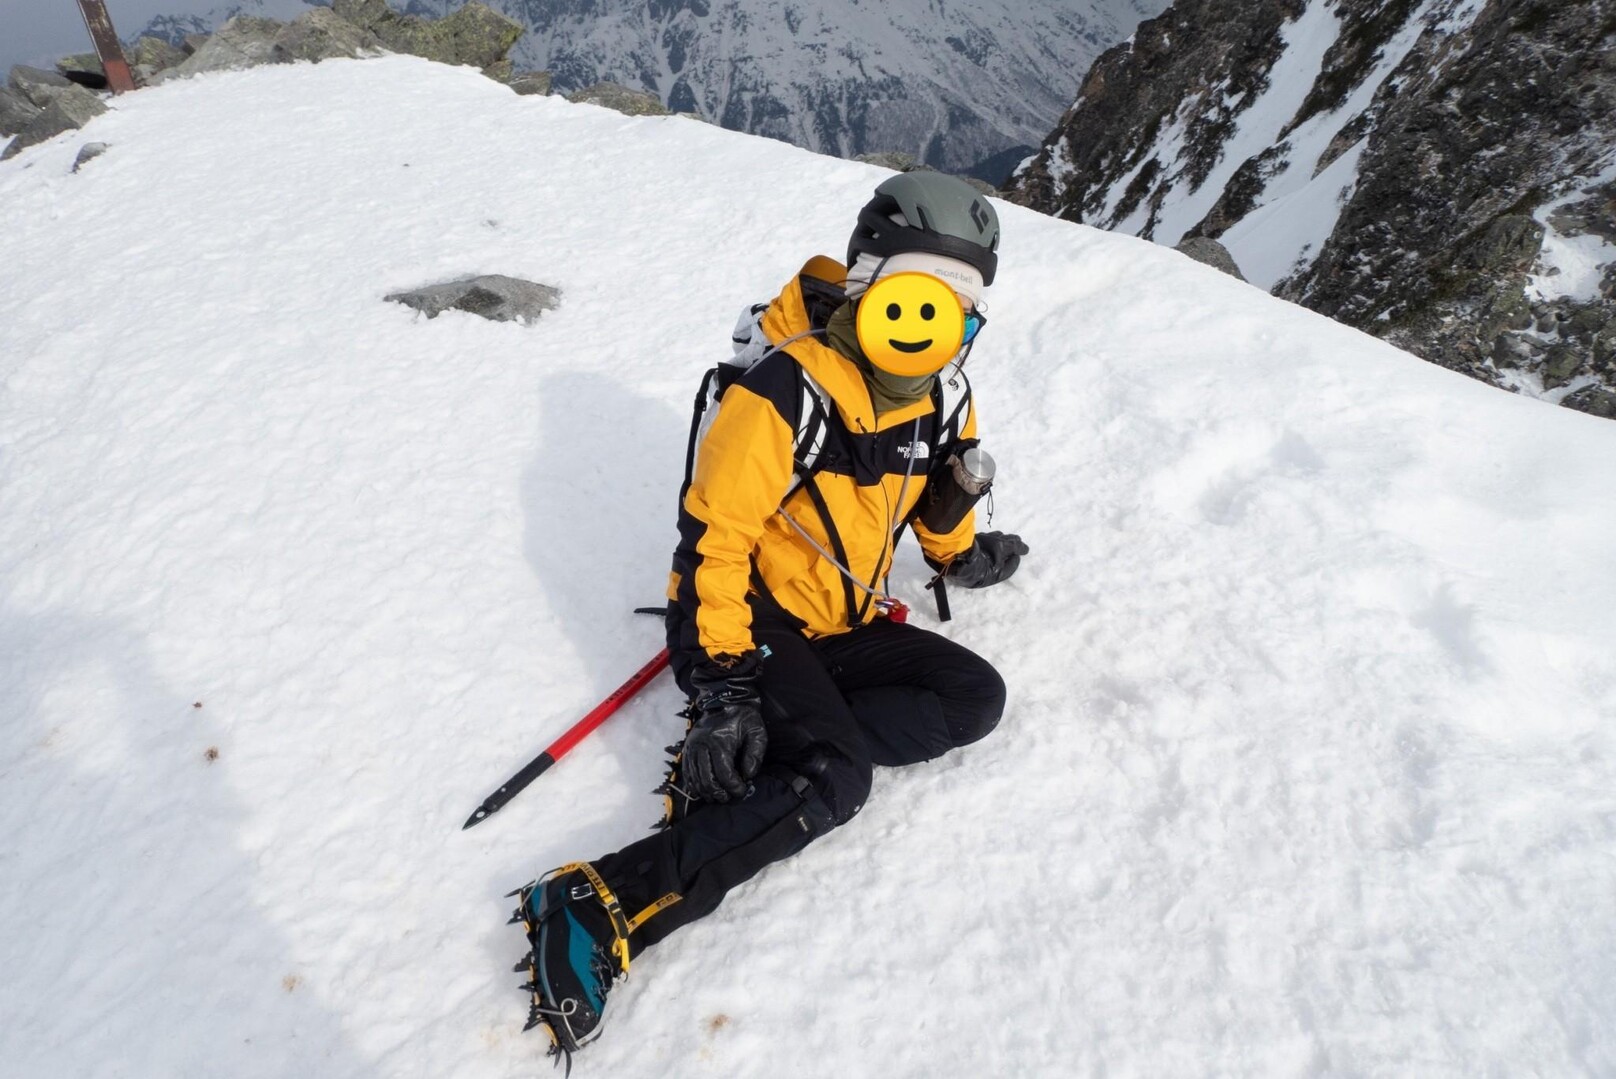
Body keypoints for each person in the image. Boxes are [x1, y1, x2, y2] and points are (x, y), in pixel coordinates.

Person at [509, 171, 1029, 1061]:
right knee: (837, 778)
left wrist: (964, 541)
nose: (934, 322)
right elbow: (713, 543)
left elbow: (932, 513)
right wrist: (726, 687)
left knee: (974, 696)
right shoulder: (787, 389)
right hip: (745, 617)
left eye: (959, 303)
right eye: (919, 291)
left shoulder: (945, 393)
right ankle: (600, 902)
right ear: (871, 281)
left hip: (839, 620)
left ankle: (776, 751)